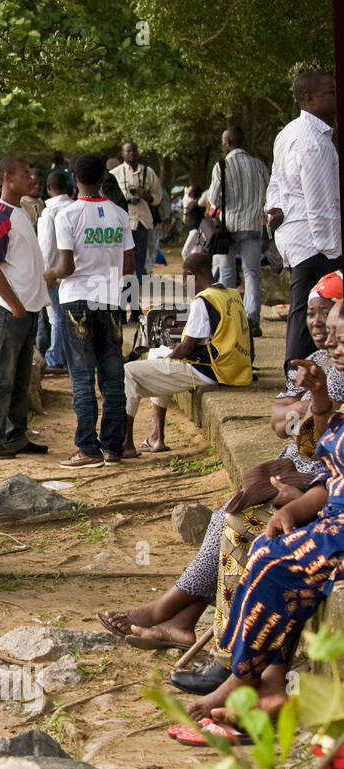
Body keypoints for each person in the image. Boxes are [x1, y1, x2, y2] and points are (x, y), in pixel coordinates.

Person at [97, 276, 343, 661]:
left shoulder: (332, 370)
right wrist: (307, 407)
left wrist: (313, 401)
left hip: (315, 489)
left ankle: (201, 633)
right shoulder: (318, 362)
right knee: (226, 518)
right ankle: (181, 621)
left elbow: (316, 448)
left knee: (235, 523)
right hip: (292, 474)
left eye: (327, 320)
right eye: (313, 317)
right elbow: (281, 423)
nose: (320, 331)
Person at [184, 304, 344, 725]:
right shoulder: (331, 382)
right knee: (263, 548)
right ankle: (259, 681)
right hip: (329, 513)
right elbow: (328, 470)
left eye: (339, 337)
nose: (330, 345)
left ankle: (239, 680)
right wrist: (293, 507)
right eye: (328, 334)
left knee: (272, 561)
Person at [46, 152, 133, 468]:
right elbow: (130, 265)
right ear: (103, 179)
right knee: (112, 375)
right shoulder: (120, 215)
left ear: (73, 178)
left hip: (76, 300)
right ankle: (112, 447)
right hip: (109, 299)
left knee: (82, 376)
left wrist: (49, 274)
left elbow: (66, 266)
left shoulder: (67, 216)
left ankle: (88, 449)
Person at [120, 253, 252, 457]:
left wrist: (169, 359)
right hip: (235, 367)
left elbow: (187, 347)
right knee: (156, 352)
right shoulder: (231, 295)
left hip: (210, 371)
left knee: (129, 371)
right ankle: (157, 436)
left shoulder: (203, 301)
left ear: (191, 275)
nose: (183, 284)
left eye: (184, 279)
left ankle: (126, 442)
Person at [0, 156, 50, 460]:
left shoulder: (22, 211)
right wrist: (15, 304)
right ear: (7, 178)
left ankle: (15, 434)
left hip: (27, 309)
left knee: (20, 377)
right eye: (24, 174)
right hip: (11, 310)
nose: (32, 179)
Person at [267, 69, 341, 376]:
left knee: (304, 312)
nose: (335, 96)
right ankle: (298, 382)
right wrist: (333, 253)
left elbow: (274, 185)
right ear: (310, 99)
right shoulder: (314, 143)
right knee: (311, 315)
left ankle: (302, 381)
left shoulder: (288, 133)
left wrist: (275, 208)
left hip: (297, 239)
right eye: (330, 92)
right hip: (315, 244)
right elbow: (320, 205)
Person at [206, 127, 271, 337]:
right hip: (252, 226)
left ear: (229, 143)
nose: (222, 146)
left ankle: (229, 318)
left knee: (227, 273)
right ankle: (252, 319)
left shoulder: (221, 166)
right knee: (252, 273)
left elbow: (214, 200)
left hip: (229, 228)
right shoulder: (259, 165)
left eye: (223, 142)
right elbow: (270, 193)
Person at [110, 142, 162, 317]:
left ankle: (133, 305)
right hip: (122, 222)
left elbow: (158, 197)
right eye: (128, 151)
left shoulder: (148, 173)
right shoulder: (115, 174)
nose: (131, 153)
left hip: (141, 222)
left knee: (138, 266)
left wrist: (145, 195)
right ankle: (123, 305)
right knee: (121, 264)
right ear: (123, 154)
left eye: (134, 150)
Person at [36, 170, 75, 370]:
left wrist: (47, 273)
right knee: (71, 316)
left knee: (57, 317)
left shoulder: (49, 212)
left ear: (48, 189)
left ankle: (55, 358)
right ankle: (67, 356)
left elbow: (46, 247)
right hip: (76, 272)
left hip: (56, 271)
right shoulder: (76, 208)